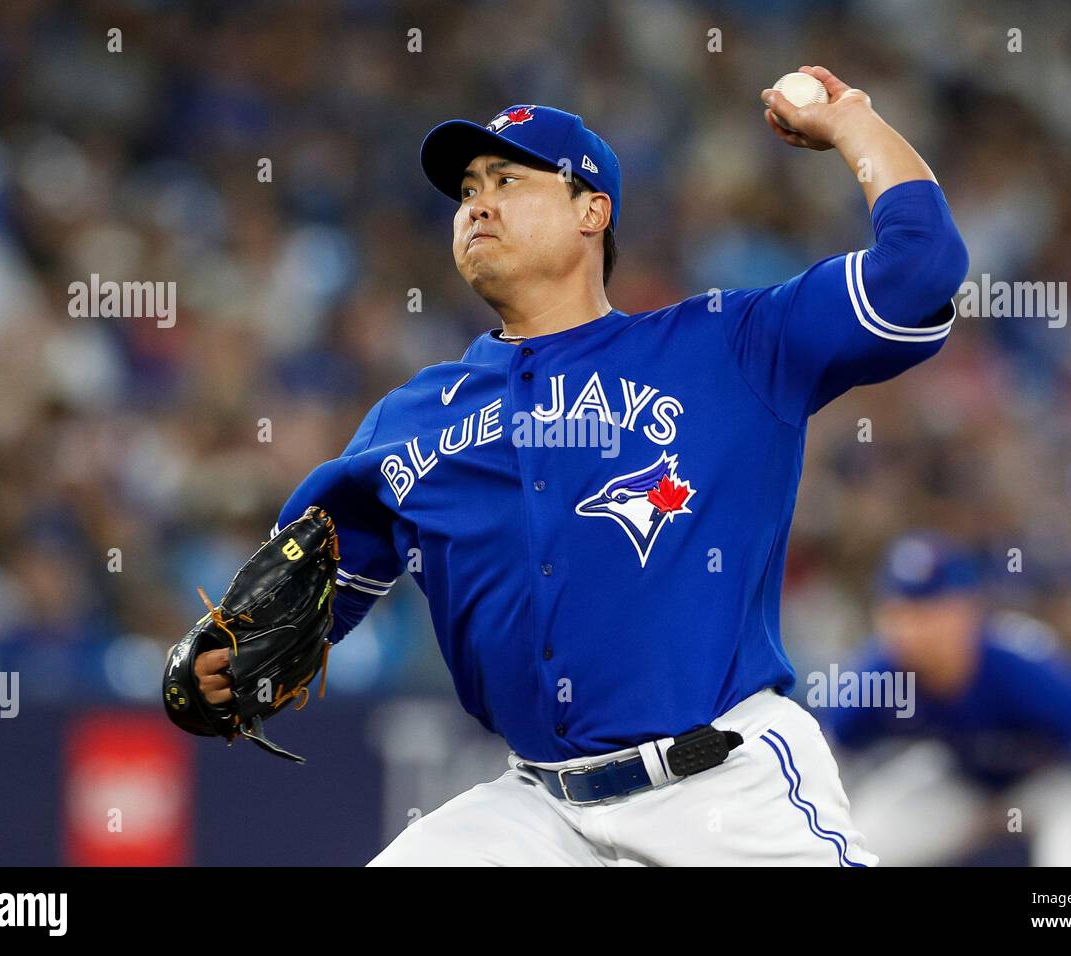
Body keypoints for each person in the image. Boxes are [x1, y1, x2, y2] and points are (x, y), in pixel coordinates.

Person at [197, 66, 969, 865]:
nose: (478, 202)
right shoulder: (413, 420)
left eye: (509, 178)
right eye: (466, 189)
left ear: (591, 211)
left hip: (725, 792)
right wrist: (230, 661)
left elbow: (922, 268)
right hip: (536, 811)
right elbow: (307, 592)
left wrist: (854, 124)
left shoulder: (726, 346)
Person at [823, 532, 1071, 866]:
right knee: (847, 849)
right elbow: (824, 760)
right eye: (900, 610)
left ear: (966, 610)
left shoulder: (1020, 665)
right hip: (966, 783)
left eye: (928, 609)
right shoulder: (878, 675)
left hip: (1058, 785)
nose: (911, 627)